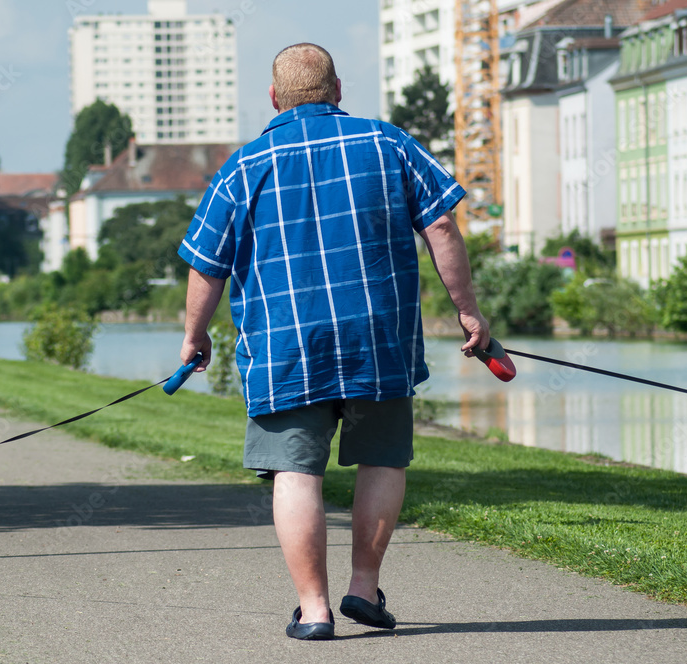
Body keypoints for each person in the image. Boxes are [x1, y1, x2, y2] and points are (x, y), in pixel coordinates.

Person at [177, 42, 490, 640]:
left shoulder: (242, 167)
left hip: (285, 345)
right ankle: (363, 589)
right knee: (382, 458)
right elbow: (442, 224)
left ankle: (315, 610)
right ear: (338, 89)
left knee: (296, 473)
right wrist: (469, 315)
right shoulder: (388, 143)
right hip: (379, 337)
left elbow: (205, 266)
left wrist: (195, 338)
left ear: (274, 99)